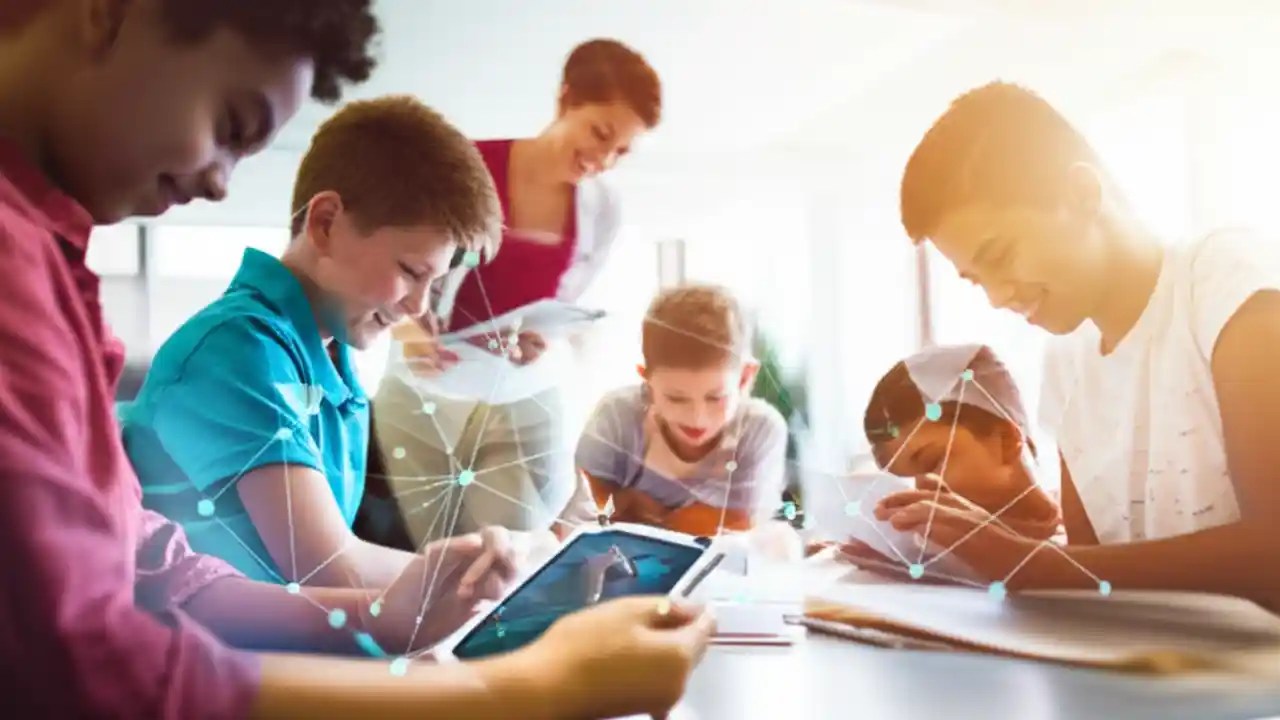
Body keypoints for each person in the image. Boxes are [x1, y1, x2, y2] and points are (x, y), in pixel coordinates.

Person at [0, 2, 711, 717]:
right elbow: (89, 656)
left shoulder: (317, 363)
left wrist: (409, 608)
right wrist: (516, 689)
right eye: (232, 126)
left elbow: (166, 575)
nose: (219, 185)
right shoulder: (232, 349)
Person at [865, 81, 1280, 610]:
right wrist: (988, 541)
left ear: (1083, 196)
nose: (996, 297)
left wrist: (1027, 561)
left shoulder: (1227, 280)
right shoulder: (1067, 364)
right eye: (975, 279)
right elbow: (1094, 584)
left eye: (1001, 254)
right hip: (1157, 674)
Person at [120, 94, 520, 604]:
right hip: (202, 658)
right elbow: (331, 568)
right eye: (411, 272)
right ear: (326, 223)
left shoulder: (333, 366)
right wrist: (484, 580)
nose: (420, 307)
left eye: (434, 284)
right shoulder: (237, 351)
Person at [372, 38, 662, 545]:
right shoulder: (461, 169)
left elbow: (555, 309)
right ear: (565, 99)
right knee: (439, 565)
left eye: (620, 150)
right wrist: (404, 326)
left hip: (520, 395)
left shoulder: (602, 211)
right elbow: (386, 265)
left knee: (505, 565)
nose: (604, 159)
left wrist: (537, 336)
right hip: (424, 393)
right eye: (600, 133)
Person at [577, 284, 790, 537]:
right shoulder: (617, 414)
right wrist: (680, 519)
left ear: (744, 379)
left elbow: (735, 525)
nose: (697, 418)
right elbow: (581, 512)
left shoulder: (760, 429)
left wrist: (632, 506)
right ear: (647, 380)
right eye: (676, 398)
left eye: (715, 398)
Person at [859, 343, 1060, 540]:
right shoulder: (925, 546)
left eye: (931, 462)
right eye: (909, 479)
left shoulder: (1084, 537)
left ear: (1006, 440)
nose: (922, 488)